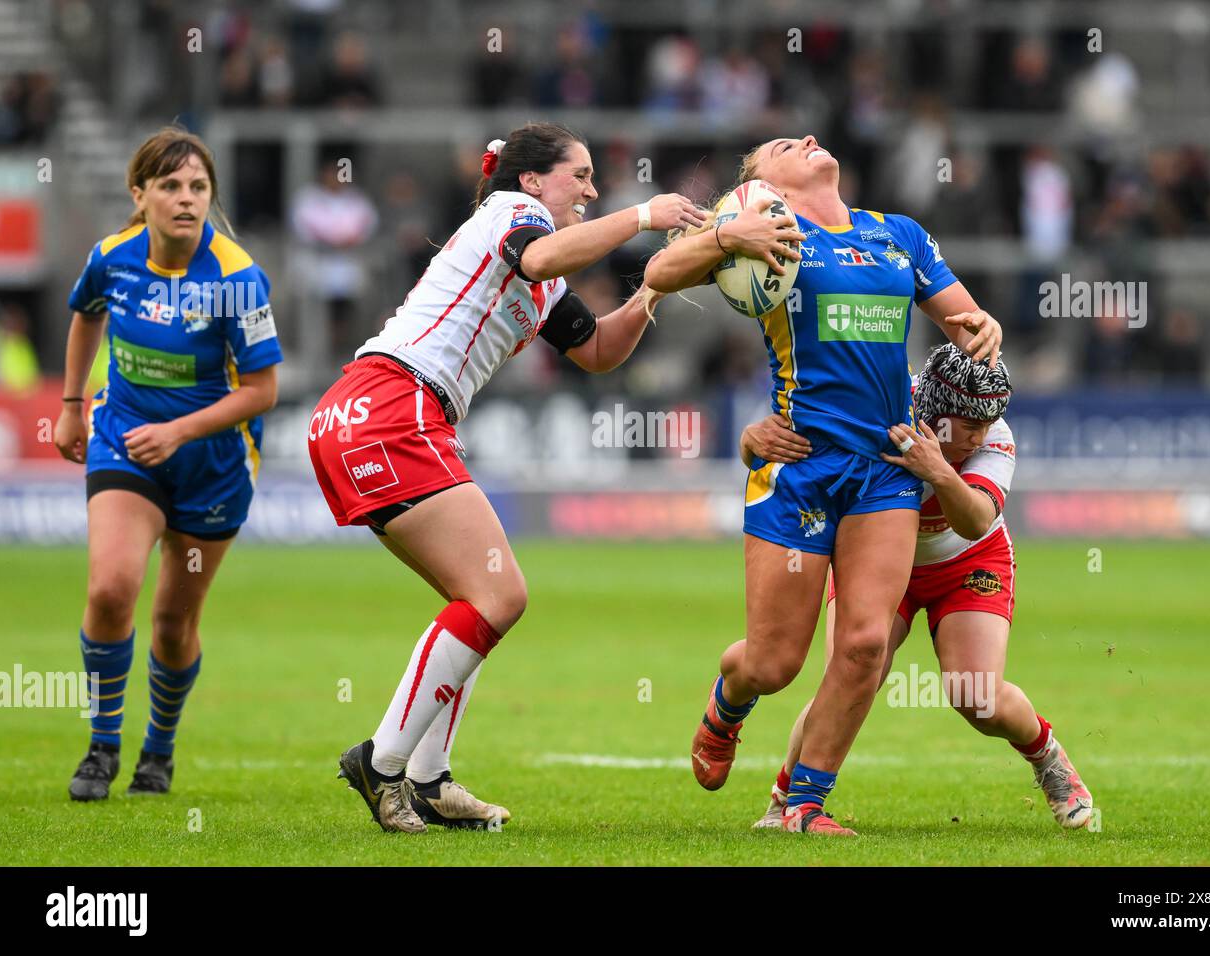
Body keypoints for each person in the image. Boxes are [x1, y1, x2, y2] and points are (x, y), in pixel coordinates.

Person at [308, 122, 705, 833]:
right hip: (395, 406)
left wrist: (657, 285)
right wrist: (644, 216)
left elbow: (600, 352)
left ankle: (428, 779)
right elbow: (541, 256)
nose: (590, 188)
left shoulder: (544, 273)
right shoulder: (513, 217)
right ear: (531, 181)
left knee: (477, 600)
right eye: (578, 175)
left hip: (367, 411)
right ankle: (384, 763)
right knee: (500, 594)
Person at [644, 134, 1002, 835]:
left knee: (867, 644)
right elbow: (659, 271)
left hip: (885, 467)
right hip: (799, 466)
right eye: (785, 143)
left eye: (807, 136)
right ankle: (728, 703)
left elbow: (966, 321)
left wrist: (980, 328)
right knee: (775, 663)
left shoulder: (897, 234)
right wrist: (728, 232)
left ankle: (804, 804)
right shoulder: (769, 232)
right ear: (760, 182)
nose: (808, 139)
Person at [743, 345, 1096, 831]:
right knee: (845, 679)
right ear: (934, 407)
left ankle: (1049, 759)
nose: (978, 437)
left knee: (977, 697)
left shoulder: (996, 438)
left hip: (966, 561)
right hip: (878, 561)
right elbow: (800, 439)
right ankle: (785, 801)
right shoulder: (883, 406)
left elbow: (974, 521)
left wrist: (938, 469)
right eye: (967, 425)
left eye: (986, 424)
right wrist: (750, 439)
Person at [54, 127, 282, 800]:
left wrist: (179, 431)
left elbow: (262, 391)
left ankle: (159, 750)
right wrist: (72, 404)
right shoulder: (113, 257)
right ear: (141, 194)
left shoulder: (239, 278)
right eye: (171, 186)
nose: (186, 200)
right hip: (125, 439)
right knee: (109, 589)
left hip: (213, 461)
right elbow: (85, 314)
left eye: (198, 188)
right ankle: (102, 745)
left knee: (174, 622)